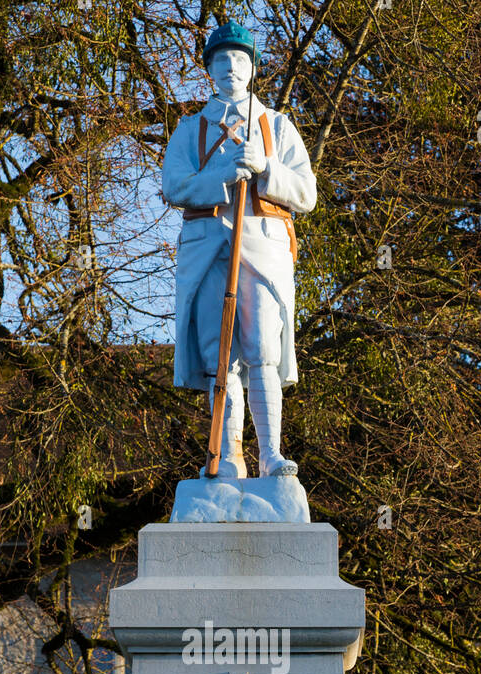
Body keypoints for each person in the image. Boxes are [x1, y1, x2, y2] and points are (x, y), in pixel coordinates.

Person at [162, 21, 317, 478]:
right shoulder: (191, 128)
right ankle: (227, 455)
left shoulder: (279, 126)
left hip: (263, 251)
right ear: (209, 69)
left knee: (261, 348)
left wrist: (267, 167)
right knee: (218, 354)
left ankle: (270, 455)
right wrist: (221, 177)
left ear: (253, 68)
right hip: (209, 250)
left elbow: (306, 194)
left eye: (240, 60)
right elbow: (174, 185)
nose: (231, 67)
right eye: (222, 59)